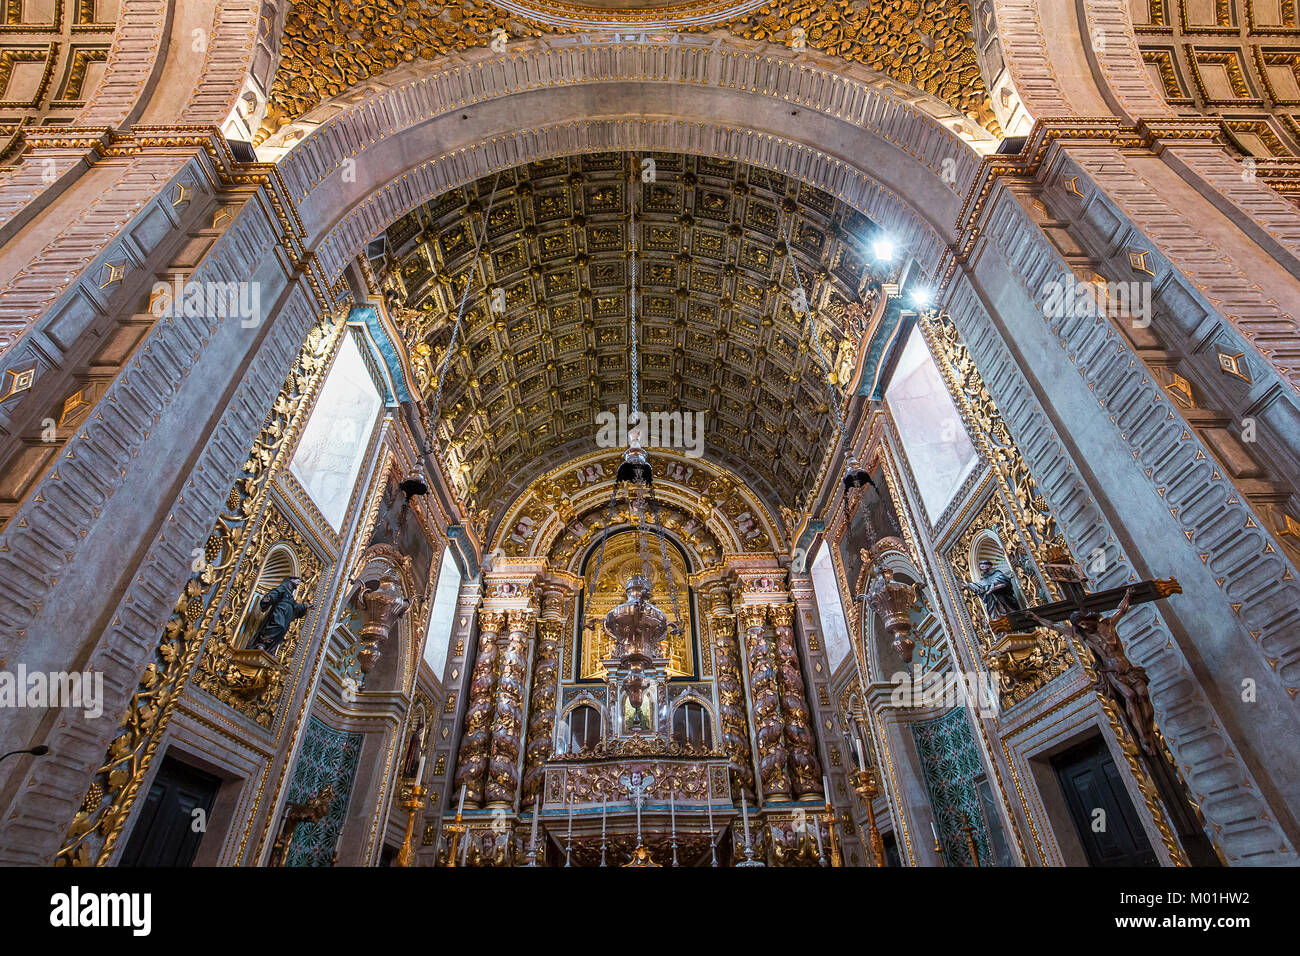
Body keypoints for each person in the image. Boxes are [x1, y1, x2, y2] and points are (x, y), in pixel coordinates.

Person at [250, 575, 313, 654]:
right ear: (290, 580)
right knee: (278, 625)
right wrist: (269, 598)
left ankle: (268, 648)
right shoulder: (283, 588)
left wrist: (305, 607)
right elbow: (275, 593)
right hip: (280, 611)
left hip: (286, 615)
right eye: (297, 580)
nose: (299, 582)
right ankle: (261, 643)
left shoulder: (290, 595)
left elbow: (296, 606)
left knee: (282, 630)